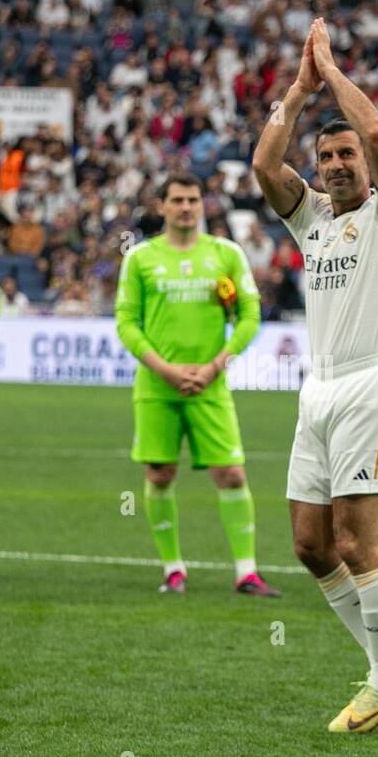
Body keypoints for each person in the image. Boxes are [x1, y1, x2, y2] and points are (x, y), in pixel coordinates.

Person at [253, 18, 378, 734]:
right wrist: (296, 90)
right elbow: (265, 168)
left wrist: (329, 63)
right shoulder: (313, 218)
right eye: (326, 157)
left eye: (344, 153)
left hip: (370, 384)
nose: (336, 165)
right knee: (310, 545)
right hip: (316, 391)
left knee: (358, 543)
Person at [114, 171, 276, 597]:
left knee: (231, 474)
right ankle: (173, 569)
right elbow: (127, 323)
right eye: (178, 200)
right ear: (162, 206)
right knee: (160, 473)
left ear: (202, 205)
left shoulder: (226, 254)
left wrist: (216, 365)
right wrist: (164, 368)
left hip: (210, 384)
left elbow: (250, 315)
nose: (186, 207)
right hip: (156, 387)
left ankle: (246, 572)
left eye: (193, 199)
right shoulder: (141, 258)